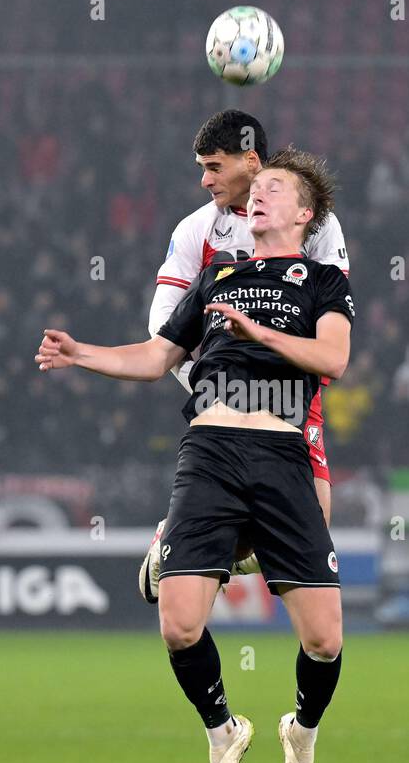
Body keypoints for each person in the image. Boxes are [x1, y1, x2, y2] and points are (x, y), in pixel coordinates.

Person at [38, 149, 353, 763]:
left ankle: (301, 733)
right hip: (210, 448)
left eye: (275, 188)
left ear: (303, 214)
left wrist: (257, 330)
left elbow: (334, 358)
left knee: (324, 641)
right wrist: (81, 354)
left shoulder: (324, 281)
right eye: (255, 187)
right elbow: (156, 356)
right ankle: (223, 733)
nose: (258, 194)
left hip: (281, 454)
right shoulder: (214, 277)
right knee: (179, 626)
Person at [139, 110, 350, 603]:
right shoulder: (197, 230)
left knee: (315, 518)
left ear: (250, 161)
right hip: (222, 394)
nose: (204, 179)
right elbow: (162, 324)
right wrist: (216, 386)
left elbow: (330, 300)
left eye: (213, 167)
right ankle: (186, 544)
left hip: (290, 381)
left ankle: (176, 534)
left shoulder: (315, 220)